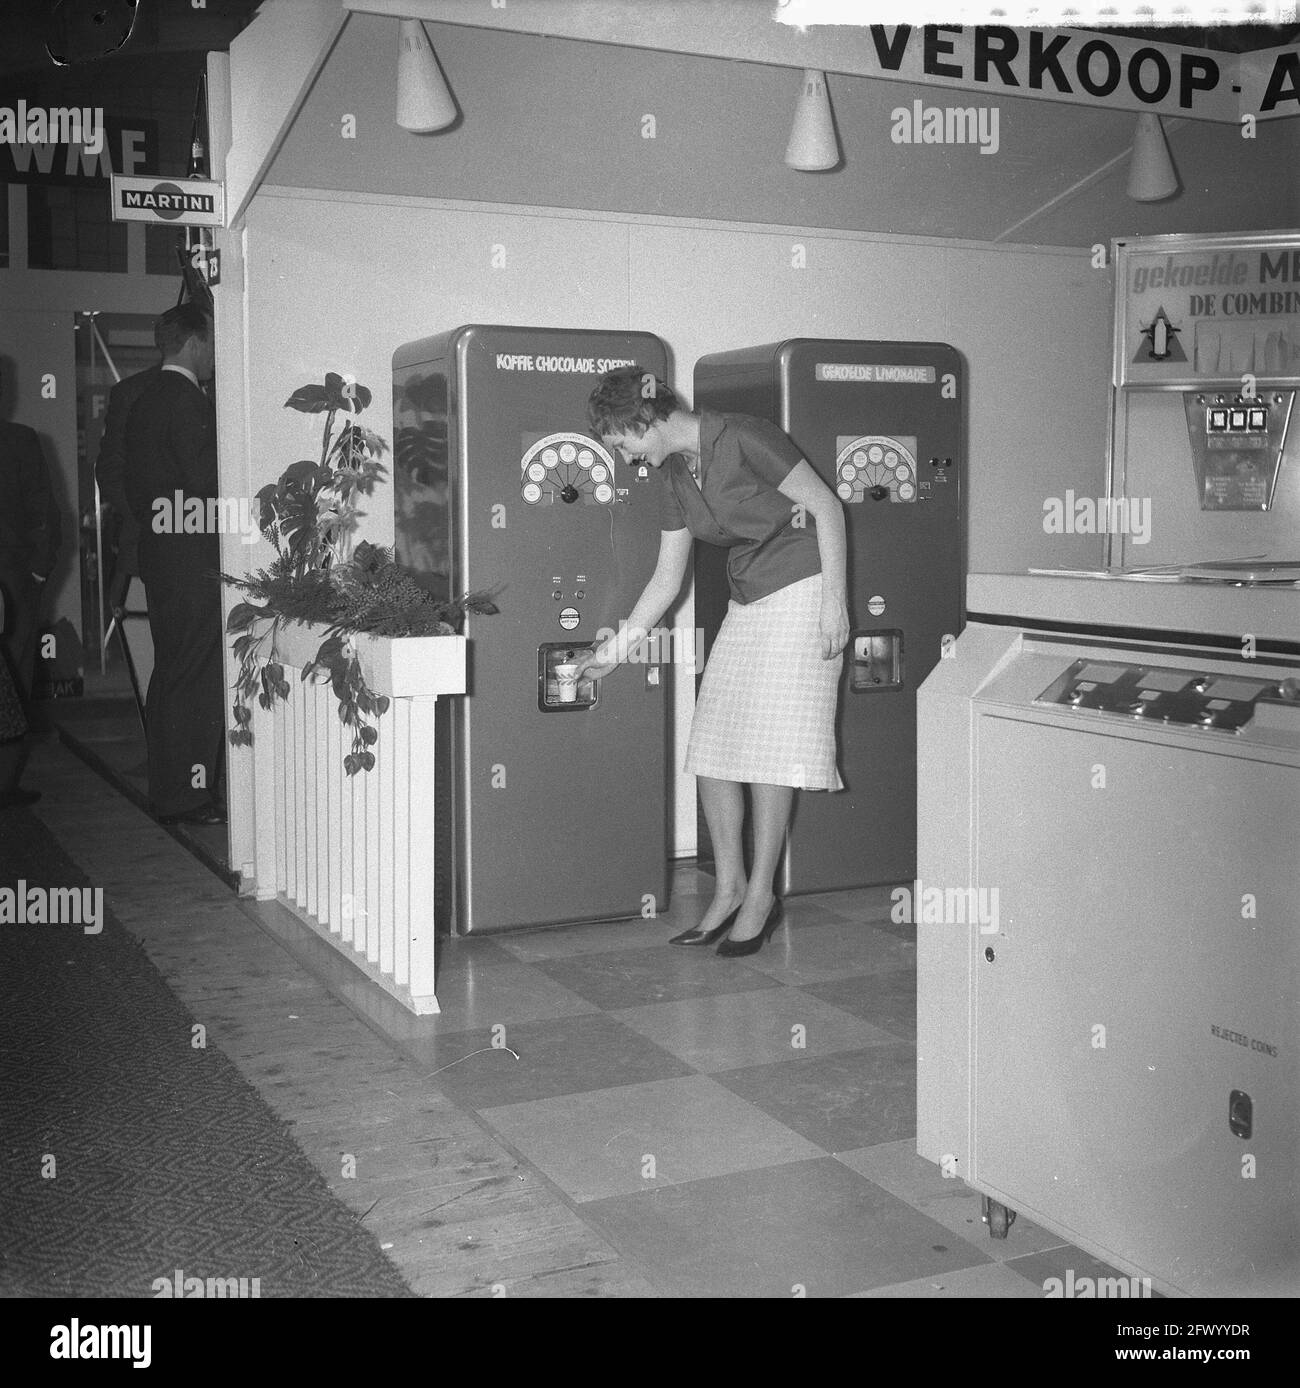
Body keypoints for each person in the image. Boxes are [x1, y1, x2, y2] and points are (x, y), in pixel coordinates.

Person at [581, 366, 849, 956]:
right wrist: (615, 651)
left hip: (805, 587)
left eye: (623, 442)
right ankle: (726, 890)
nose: (626, 457)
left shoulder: (745, 436)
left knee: (773, 750)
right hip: (750, 593)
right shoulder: (676, 474)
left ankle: (760, 895)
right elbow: (666, 578)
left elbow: (827, 508)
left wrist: (835, 603)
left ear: (643, 419)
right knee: (714, 742)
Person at [123, 303, 226, 826]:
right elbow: (207, 482)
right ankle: (188, 794)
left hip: (162, 558)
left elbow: (134, 488)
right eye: (210, 341)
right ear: (192, 343)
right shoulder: (189, 402)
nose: (213, 353)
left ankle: (168, 788)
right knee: (196, 676)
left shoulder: (142, 401)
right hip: (193, 559)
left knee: (170, 672)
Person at [0, 361, 62, 805]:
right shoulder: (18, 440)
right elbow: (46, 513)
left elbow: (47, 514)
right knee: (14, 680)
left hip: (14, 583)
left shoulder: (18, 440)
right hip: (12, 583)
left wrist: (36, 574)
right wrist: (36, 574)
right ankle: (4, 786)